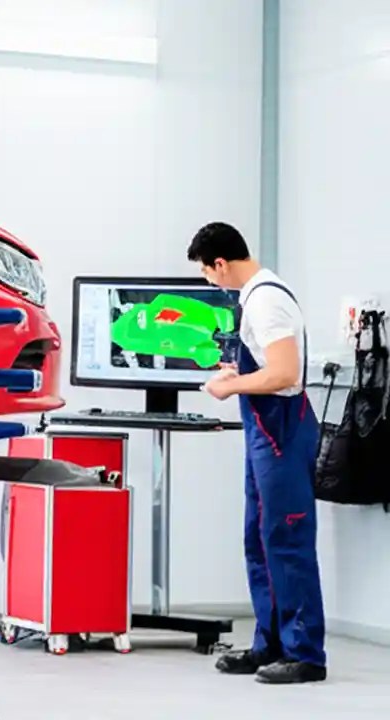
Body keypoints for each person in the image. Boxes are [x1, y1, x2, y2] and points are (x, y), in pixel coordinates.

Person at [187, 221, 326, 684]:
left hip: (281, 431)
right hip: (266, 432)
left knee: (287, 539)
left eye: (208, 272)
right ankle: (270, 644)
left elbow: (285, 373)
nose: (210, 281)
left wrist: (228, 389)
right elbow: (269, 364)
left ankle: (305, 653)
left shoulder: (266, 300)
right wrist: (238, 371)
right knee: (260, 538)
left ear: (221, 264)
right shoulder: (259, 296)